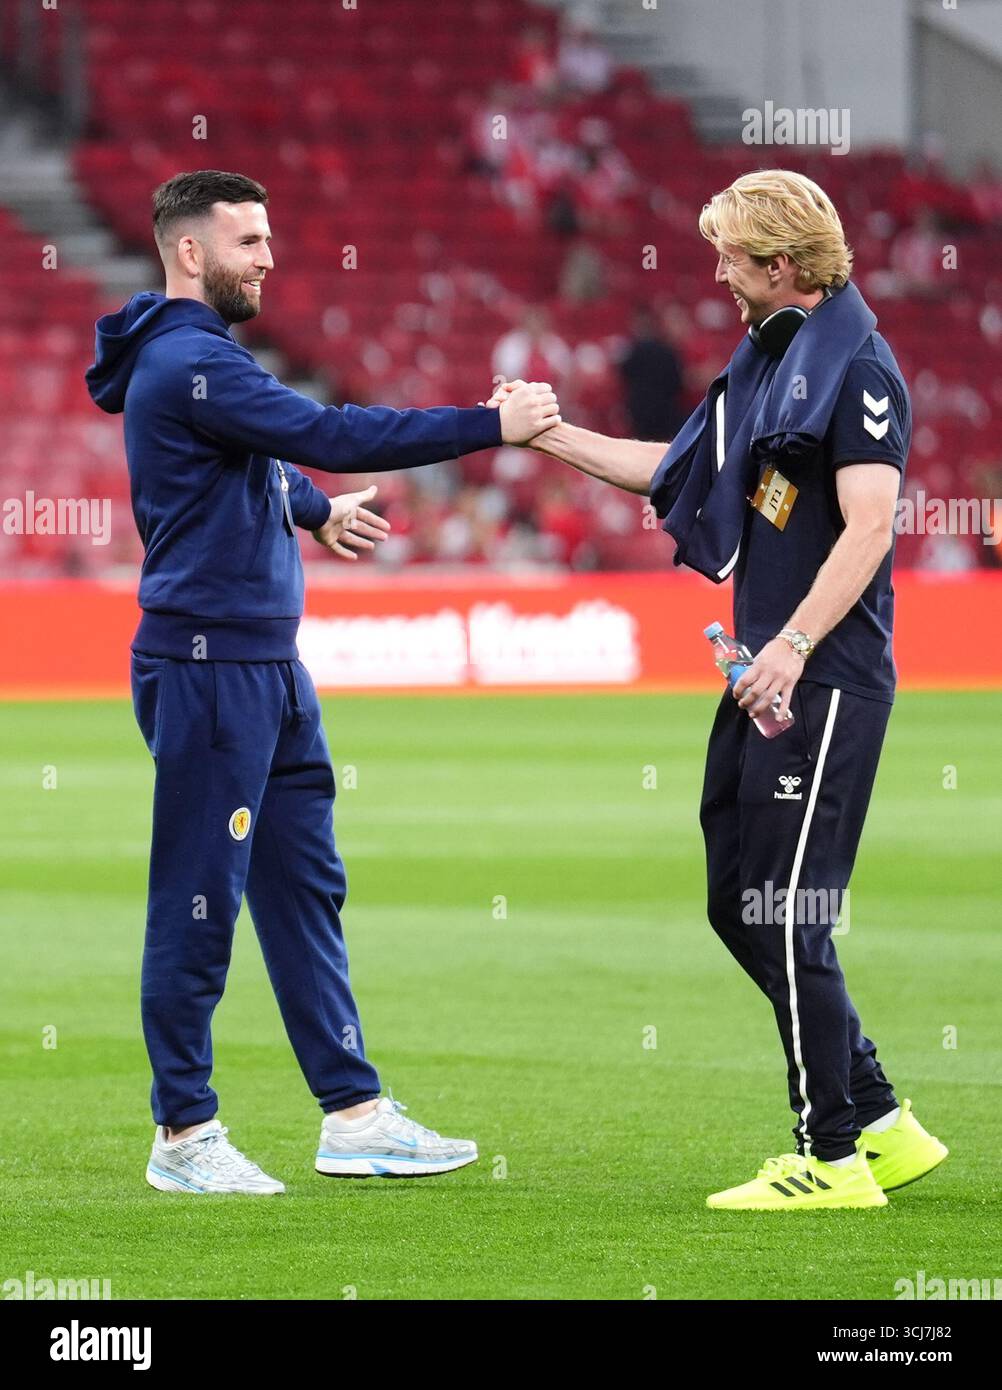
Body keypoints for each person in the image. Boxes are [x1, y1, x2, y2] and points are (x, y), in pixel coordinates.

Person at [85, 168, 559, 1194]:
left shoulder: (203, 362)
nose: (270, 256)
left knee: (305, 891)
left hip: (267, 667)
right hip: (211, 669)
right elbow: (326, 433)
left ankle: (352, 1115)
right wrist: (489, 423)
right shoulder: (185, 365)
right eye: (250, 240)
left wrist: (310, 511)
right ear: (190, 253)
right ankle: (183, 1134)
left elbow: (267, 457)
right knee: (199, 903)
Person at [489, 169, 949, 1211]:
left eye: (731, 258)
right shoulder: (766, 366)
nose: (717, 274)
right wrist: (547, 435)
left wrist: (788, 639)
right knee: (738, 900)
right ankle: (880, 1120)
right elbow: (675, 470)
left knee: (789, 909)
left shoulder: (859, 370)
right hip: (767, 679)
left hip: (820, 678)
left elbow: (871, 525)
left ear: (778, 266)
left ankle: (830, 1157)